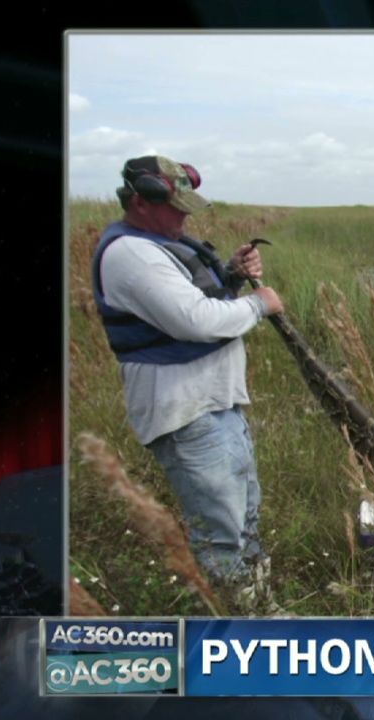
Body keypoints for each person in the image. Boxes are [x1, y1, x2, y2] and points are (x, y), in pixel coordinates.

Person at [92, 155, 284, 589]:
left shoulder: (158, 242)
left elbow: (201, 301)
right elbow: (196, 321)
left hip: (216, 403)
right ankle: (234, 621)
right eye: (176, 207)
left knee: (245, 511)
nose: (183, 216)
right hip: (186, 413)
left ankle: (258, 601)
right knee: (222, 531)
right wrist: (259, 304)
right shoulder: (131, 254)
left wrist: (232, 275)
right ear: (140, 201)